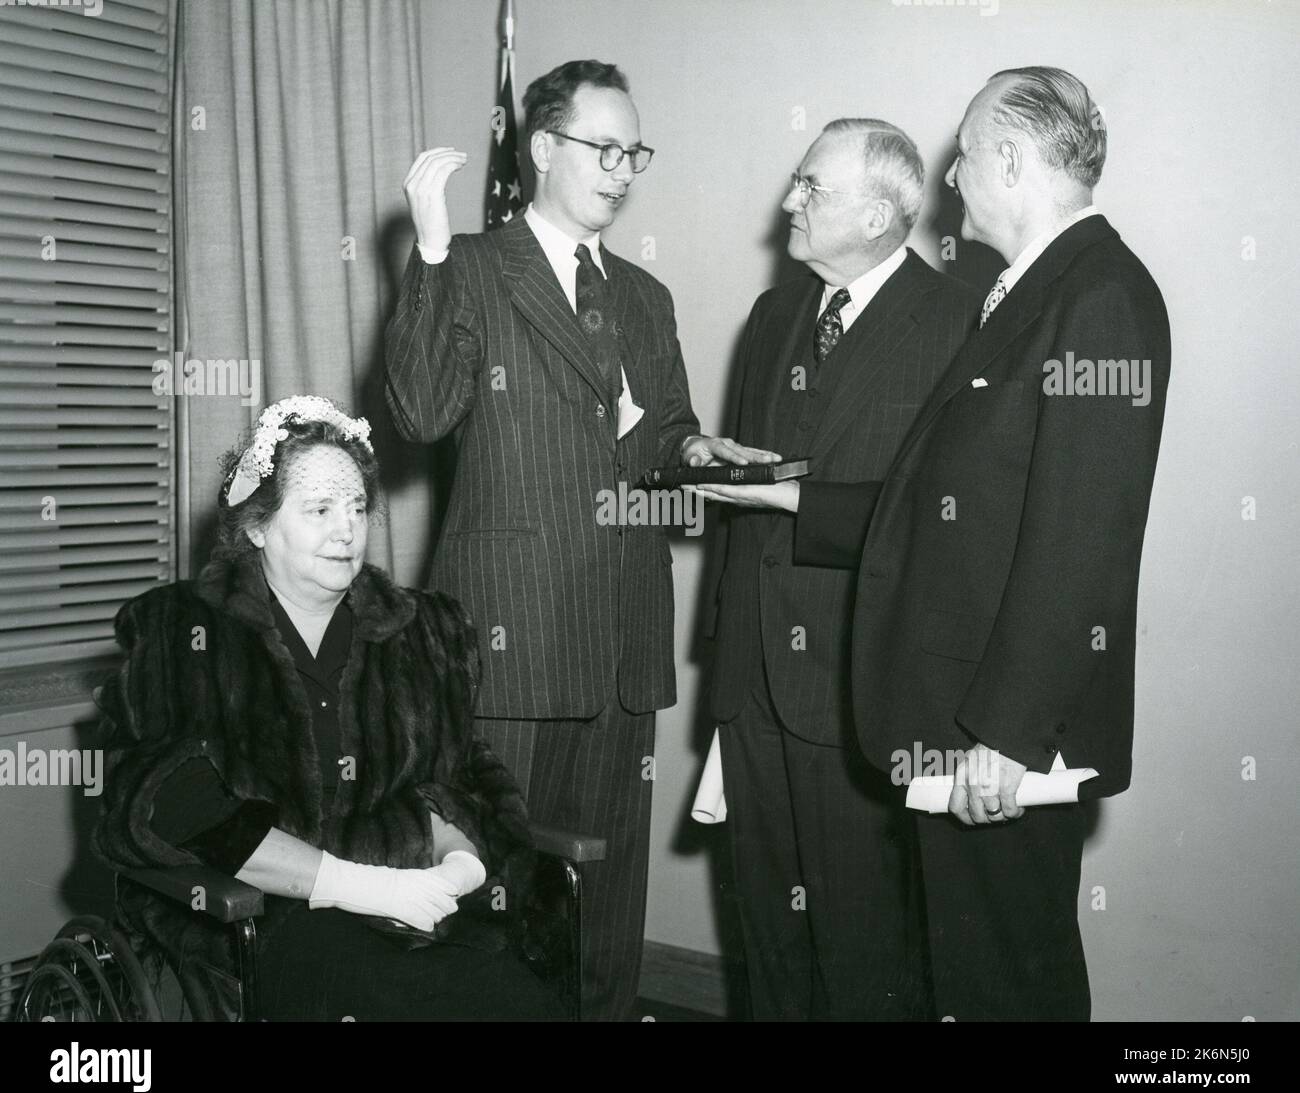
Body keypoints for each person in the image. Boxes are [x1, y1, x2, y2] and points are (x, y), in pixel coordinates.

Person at [384, 59, 773, 1020]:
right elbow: (423, 412)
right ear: (543, 147)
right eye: (604, 147)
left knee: (607, 898)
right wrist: (431, 254)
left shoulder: (645, 295)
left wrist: (696, 447)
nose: (623, 168)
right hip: (510, 639)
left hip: (622, 638)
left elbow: (662, 427)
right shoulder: (473, 267)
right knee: (498, 892)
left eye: (633, 150)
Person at [793, 67, 1171, 1020]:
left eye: (963, 154)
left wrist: (1005, 736)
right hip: (960, 718)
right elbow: (960, 501)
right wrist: (783, 498)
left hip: (997, 739)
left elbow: (1083, 540)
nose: (952, 180)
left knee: (1007, 984)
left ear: (1008, 157)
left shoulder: (1102, 297)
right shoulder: (1033, 289)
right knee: (972, 981)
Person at [94, 396, 560, 1021]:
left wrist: (458, 867)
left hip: (411, 912)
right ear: (257, 526)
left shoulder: (423, 632)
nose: (347, 529)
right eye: (319, 509)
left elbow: (455, 781)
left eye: (358, 507)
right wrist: (359, 886)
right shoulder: (185, 632)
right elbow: (166, 802)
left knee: (517, 1005)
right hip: (262, 918)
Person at [692, 120, 979, 1019]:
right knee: (768, 954)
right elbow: (747, 490)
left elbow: (940, 518)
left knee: (863, 956)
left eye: (813, 188)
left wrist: (784, 498)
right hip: (751, 689)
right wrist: (709, 458)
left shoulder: (956, 322)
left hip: (862, 691)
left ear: (883, 213)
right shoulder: (776, 315)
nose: (789, 204)